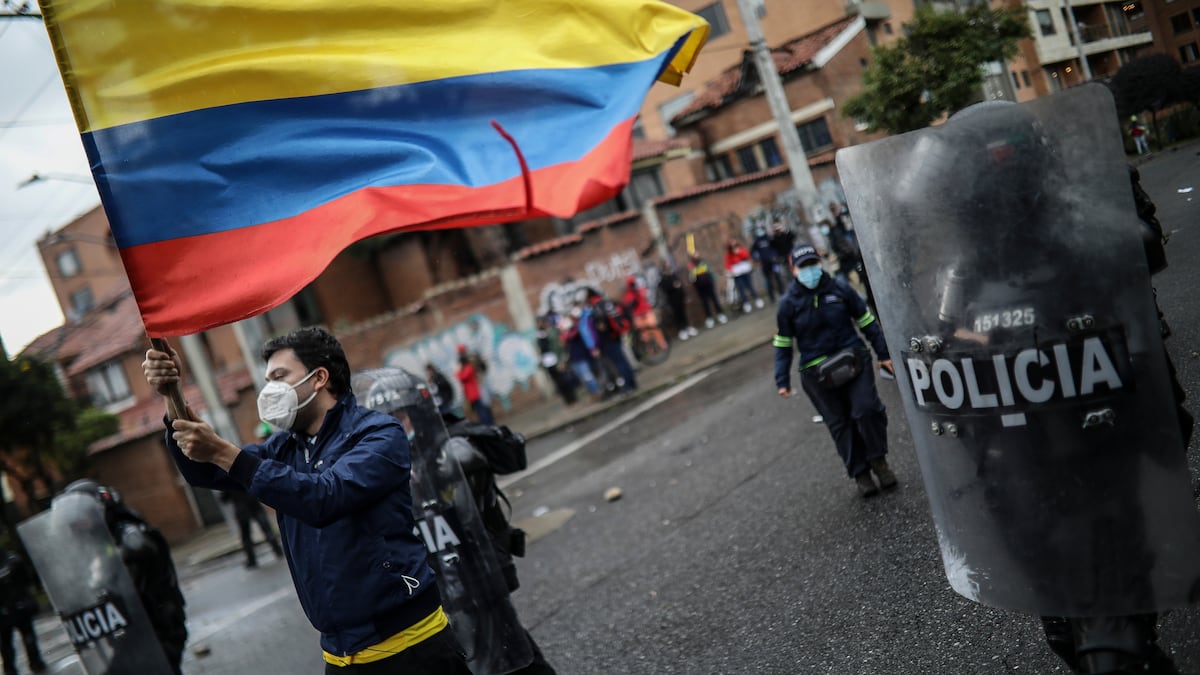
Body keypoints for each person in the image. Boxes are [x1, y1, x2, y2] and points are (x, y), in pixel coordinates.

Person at [143, 327, 470, 673]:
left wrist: (227, 454)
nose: (270, 389)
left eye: (280, 376)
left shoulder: (378, 434)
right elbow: (202, 470)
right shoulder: (285, 448)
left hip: (411, 647)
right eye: (268, 379)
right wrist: (172, 394)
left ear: (319, 378)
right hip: (340, 655)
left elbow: (324, 497)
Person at [355, 368, 558, 675]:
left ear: (419, 414)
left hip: (477, 573)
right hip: (433, 587)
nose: (396, 426)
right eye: (387, 419)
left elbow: (476, 504)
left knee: (513, 654)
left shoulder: (451, 450)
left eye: (402, 416)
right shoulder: (387, 465)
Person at [774, 244, 897, 498]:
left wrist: (883, 354)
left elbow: (866, 321)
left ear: (820, 263)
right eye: (803, 267)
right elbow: (783, 344)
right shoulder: (788, 305)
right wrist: (781, 379)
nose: (810, 271)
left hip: (852, 360)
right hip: (815, 372)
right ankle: (861, 474)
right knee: (840, 424)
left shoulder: (840, 289)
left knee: (867, 410)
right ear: (793, 269)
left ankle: (878, 460)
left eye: (813, 264)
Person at [60, 480, 188, 674]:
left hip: (158, 626)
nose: (79, 526)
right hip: (129, 632)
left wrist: (118, 557)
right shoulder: (98, 541)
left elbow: (141, 549)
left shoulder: (128, 531)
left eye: (82, 519)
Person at [221, 423, 285, 569]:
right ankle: (276, 550)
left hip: (241, 507)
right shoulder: (247, 464)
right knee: (264, 528)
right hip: (252, 502)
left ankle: (252, 559)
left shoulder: (228, 472)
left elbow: (224, 496)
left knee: (247, 535)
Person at [580, 288, 637, 394]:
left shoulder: (596, 307)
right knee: (623, 360)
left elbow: (601, 326)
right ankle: (632, 382)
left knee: (619, 363)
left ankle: (628, 385)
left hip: (608, 339)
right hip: (615, 335)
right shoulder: (606, 302)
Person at [0, 548, 46, 675]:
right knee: (22, 639)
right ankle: (35, 663)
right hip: (18, 606)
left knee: (8, 642)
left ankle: (12, 669)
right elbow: (27, 579)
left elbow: (26, 579)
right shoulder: (12, 559)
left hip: (10, 609)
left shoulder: (12, 560)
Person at [535, 314, 578, 406]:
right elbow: (540, 350)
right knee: (558, 383)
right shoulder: (539, 335)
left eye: (540, 322)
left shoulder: (552, 332)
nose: (539, 324)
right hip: (547, 363)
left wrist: (561, 361)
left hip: (556, 360)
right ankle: (567, 401)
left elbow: (559, 347)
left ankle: (572, 399)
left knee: (564, 380)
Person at [621, 276, 667, 352]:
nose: (633, 286)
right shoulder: (628, 295)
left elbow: (649, 299)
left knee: (655, 329)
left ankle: (662, 344)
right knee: (644, 334)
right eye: (631, 284)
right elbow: (628, 307)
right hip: (638, 316)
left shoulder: (641, 290)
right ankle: (650, 348)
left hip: (647, 313)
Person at [457, 344, 495, 425]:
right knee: (483, 407)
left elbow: (462, 375)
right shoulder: (469, 360)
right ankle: (490, 423)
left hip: (478, 386)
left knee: (483, 408)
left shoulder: (469, 363)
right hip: (477, 386)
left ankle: (489, 424)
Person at [658, 263, 698, 341]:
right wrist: (673, 286)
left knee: (683, 313)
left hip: (680, 298)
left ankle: (688, 327)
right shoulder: (663, 279)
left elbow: (680, 285)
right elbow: (665, 288)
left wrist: (684, 296)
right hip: (672, 301)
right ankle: (681, 330)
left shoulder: (674, 276)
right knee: (677, 316)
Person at [687, 252, 727, 329]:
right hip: (700, 287)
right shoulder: (692, 266)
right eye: (694, 256)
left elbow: (711, 271)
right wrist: (691, 271)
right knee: (705, 303)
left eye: (697, 255)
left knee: (714, 299)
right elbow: (691, 279)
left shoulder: (704, 263)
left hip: (709, 284)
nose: (696, 257)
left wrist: (715, 279)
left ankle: (720, 314)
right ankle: (709, 318)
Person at [724, 239, 762, 313]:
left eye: (735, 245)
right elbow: (728, 264)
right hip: (736, 273)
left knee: (750, 286)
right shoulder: (728, 255)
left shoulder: (742, 250)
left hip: (745, 270)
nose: (734, 248)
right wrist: (731, 271)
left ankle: (757, 299)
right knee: (741, 288)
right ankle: (746, 303)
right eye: (732, 246)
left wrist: (739, 253)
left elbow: (747, 256)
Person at [750, 226, 784, 303]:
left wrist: (776, 256)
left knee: (778, 277)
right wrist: (756, 258)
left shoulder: (769, 238)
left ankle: (782, 293)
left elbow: (777, 247)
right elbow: (753, 252)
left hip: (774, 262)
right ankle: (772, 297)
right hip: (765, 264)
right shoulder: (756, 241)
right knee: (768, 280)